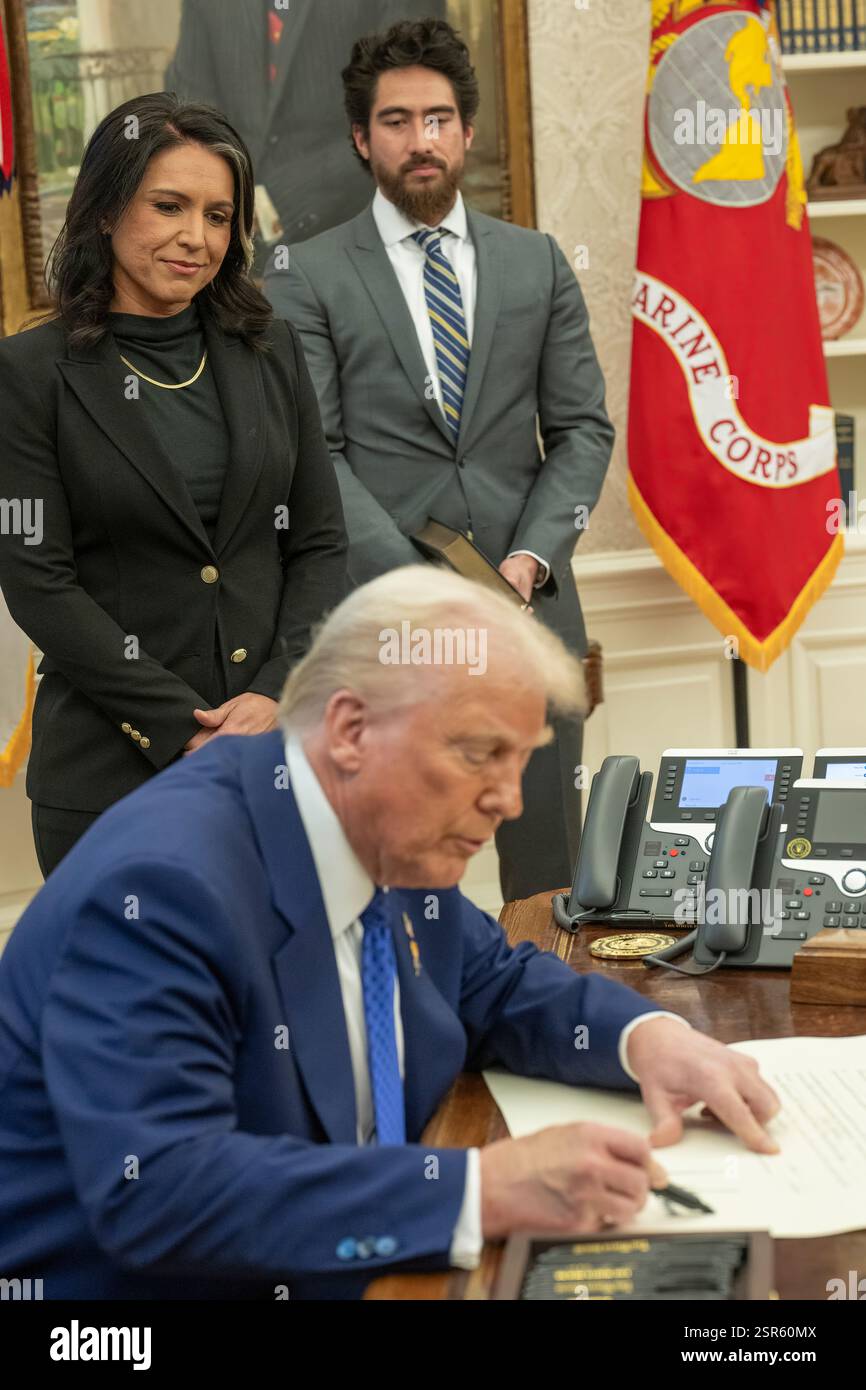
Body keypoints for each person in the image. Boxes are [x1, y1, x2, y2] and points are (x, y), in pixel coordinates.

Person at [0, 568, 780, 1300]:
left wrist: (648, 1037)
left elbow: (492, 980)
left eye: (521, 762)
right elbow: (161, 1192)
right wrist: (484, 1190)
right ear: (349, 730)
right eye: (481, 755)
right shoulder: (163, 887)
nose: (510, 801)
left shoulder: (382, 835)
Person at [264, 17, 613, 902]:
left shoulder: (536, 263)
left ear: (465, 131)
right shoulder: (305, 275)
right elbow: (319, 456)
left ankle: (541, 1040)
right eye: (395, 121)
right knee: (399, 874)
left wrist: (527, 562)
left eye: (437, 117)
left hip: (531, 618)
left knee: (546, 885)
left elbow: (582, 431)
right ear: (360, 137)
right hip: (388, 626)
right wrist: (430, 586)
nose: (419, 140)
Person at [0, 93, 347, 877]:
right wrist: (185, 726)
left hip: (275, 763)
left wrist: (273, 692)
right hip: (108, 783)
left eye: (220, 216)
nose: (198, 237)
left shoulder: (271, 351)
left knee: (275, 996)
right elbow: (38, 582)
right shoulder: (28, 374)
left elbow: (320, 542)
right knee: (131, 1001)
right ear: (104, 209)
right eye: (170, 206)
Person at [165, 0, 446, 263]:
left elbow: (408, 111)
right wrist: (229, 193)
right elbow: (190, 107)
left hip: (362, 229)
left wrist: (279, 198)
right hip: (233, 244)